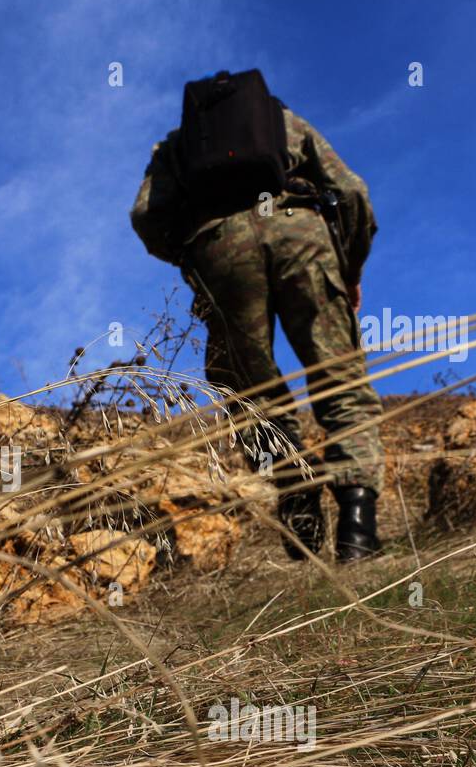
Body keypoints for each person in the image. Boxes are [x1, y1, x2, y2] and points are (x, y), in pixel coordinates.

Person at [131, 70, 383, 562]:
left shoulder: (176, 147)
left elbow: (146, 215)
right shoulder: (285, 121)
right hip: (301, 237)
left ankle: (296, 495)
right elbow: (352, 191)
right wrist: (349, 268)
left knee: (248, 390)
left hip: (220, 251)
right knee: (339, 378)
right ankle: (358, 530)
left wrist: (194, 253)